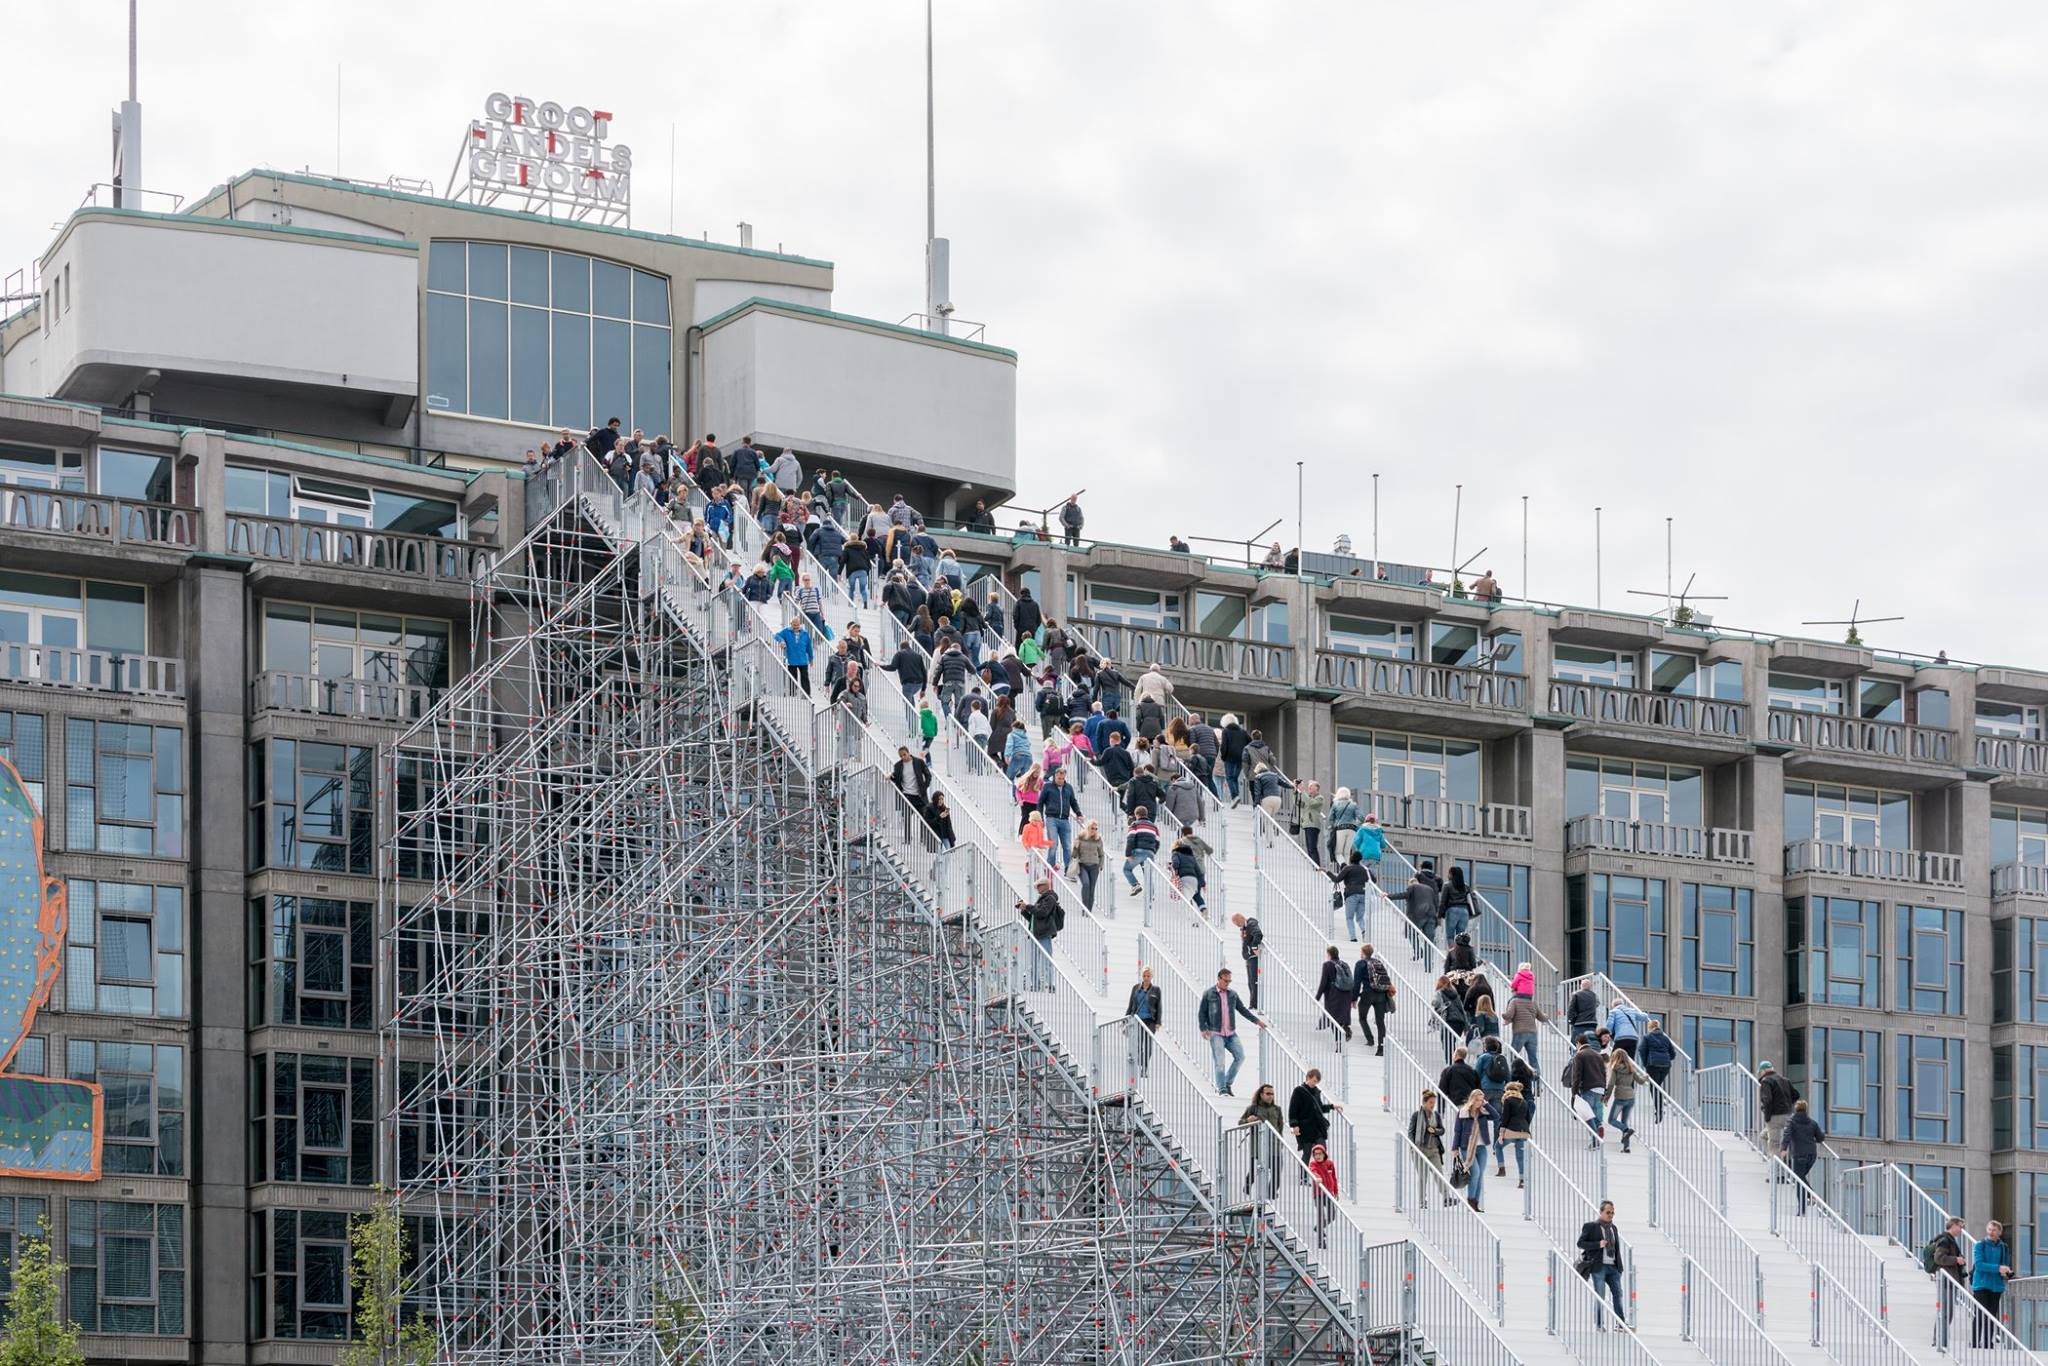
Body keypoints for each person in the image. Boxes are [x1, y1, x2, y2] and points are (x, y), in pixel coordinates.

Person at [1199, 968, 1262, 1096]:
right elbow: (1202, 1013)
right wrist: (1203, 1028)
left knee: (1240, 1057)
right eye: (1225, 980)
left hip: (1231, 1033)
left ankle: (1227, 1083)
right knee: (1220, 1062)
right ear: (1219, 978)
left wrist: (1256, 1021)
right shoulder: (1209, 993)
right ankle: (1222, 1089)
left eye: (1229, 981)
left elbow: (1242, 1009)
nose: (1228, 983)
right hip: (1216, 1033)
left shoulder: (1232, 994)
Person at [1577, 1201, 1628, 1330]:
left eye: (1612, 1213)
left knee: (1618, 1294)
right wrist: (1597, 1244)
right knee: (1600, 1296)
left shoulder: (1613, 1228)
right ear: (1601, 1212)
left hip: (1613, 1267)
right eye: (1608, 1212)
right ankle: (1599, 1324)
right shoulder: (1591, 1226)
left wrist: (1619, 1267)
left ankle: (1620, 1324)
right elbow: (1580, 1243)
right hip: (1599, 1266)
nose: (1610, 1215)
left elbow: (1616, 1249)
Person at [1288, 1067, 1342, 1173]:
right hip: (1305, 1127)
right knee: (1307, 1152)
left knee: (1322, 1149)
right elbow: (1293, 1109)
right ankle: (1303, 1176)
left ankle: (1322, 1173)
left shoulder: (1316, 1091)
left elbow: (1320, 1108)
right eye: (1313, 1081)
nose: (1315, 1083)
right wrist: (1294, 1125)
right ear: (1308, 1077)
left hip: (1317, 1127)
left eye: (1316, 1082)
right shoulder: (1299, 1090)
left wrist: (1332, 1106)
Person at [1238, 1083, 1285, 1198]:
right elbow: (1240, 1123)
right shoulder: (1253, 1108)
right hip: (1258, 1146)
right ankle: (1247, 1188)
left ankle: (1271, 1192)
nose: (1271, 1096)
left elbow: (1280, 1127)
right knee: (1255, 1170)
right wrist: (1248, 1120)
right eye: (1268, 1094)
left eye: (1272, 1094)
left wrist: (1280, 1142)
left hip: (1275, 1146)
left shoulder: (1277, 1109)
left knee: (1277, 1171)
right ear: (1261, 1094)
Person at [1016, 875, 1063, 990]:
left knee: (1046, 960)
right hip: (1035, 933)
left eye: (1039, 886)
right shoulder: (1042, 898)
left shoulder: (1050, 898)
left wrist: (1027, 906)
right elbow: (1035, 918)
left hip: (1043, 933)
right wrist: (1024, 911)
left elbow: (1043, 913)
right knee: (1033, 962)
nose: (1037, 888)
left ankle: (1050, 984)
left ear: (1046, 886)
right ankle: (1035, 985)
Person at [1973, 1220, 2014, 1348]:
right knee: (1980, 1314)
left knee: (1992, 1316)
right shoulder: (1980, 1245)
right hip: (1981, 1284)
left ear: (1999, 1232)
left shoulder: (2004, 1247)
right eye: (1989, 1229)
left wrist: (2007, 1271)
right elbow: (1979, 1265)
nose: (1991, 1232)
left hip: (1996, 1286)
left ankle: (1987, 1343)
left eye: (1994, 1230)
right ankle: (1975, 1342)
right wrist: (1998, 1268)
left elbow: (2005, 1264)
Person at [1452, 1091, 1495, 1212]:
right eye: (1477, 1100)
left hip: (1481, 1147)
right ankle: (1470, 1201)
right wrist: (1455, 1148)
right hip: (1467, 1147)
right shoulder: (1463, 1112)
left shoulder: (1483, 1111)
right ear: (1472, 1099)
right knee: (1475, 1173)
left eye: (1481, 1100)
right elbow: (1458, 1131)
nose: (1479, 1103)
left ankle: (1475, 1203)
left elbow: (1496, 1116)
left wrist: (1486, 1104)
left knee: (1480, 1175)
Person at [1780, 1098, 1823, 1213]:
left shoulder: (1791, 1121)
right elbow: (1821, 1137)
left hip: (1799, 1155)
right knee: (1801, 1178)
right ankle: (1805, 1204)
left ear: (1796, 1109)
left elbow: (1787, 1135)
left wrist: (1784, 1149)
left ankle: (1808, 1200)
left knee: (1799, 1180)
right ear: (1806, 1110)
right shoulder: (1812, 1122)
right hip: (1812, 1155)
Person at [1565, 1036, 1609, 1147]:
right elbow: (1604, 1073)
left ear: (1579, 1043)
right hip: (1599, 1088)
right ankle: (1598, 1126)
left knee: (1587, 1116)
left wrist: (1574, 1092)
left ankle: (1595, 1141)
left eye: (1576, 1045)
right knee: (1593, 1114)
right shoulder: (1598, 1055)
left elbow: (1577, 1075)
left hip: (1588, 1088)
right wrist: (1604, 1090)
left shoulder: (1579, 1055)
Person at [1353, 943, 1393, 1054]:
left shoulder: (1360, 964)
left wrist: (1354, 998)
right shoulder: (1378, 962)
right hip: (1381, 994)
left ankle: (1370, 1039)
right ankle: (1381, 1048)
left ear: (1363, 953)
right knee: (1380, 1022)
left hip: (1367, 994)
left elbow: (1357, 982)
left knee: (1362, 1017)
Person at [1502, 990, 1543, 1096]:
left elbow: (1508, 1015)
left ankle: (1510, 1081)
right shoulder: (1533, 1002)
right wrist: (1547, 1016)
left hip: (1520, 1032)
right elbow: (1541, 1017)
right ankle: (1537, 1086)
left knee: (1512, 1056)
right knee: (1533, 1059)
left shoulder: (1514, 1001)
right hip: (1533, 1033)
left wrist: (1503, 1015)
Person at [1315, 945, 1356, 1045]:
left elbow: (1323, 983)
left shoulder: (1327, 965)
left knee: (1333, 1018)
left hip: (1334, 995)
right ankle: (1345, 1030)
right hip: (1346, 994)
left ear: (1329, 954)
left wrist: (1317, 997)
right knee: (1340, 1018)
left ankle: (1339, 1041)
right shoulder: (1344, 964)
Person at [1124, 966, 1161, 1077]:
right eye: (1144, 976)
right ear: (1142, 976)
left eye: (1148, 976)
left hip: (1150, 1021)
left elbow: (1159, 1007)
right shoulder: (1136, 988)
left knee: (1148, 1046)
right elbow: (1131, 1004)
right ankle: (1140, 1062)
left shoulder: (1156, 990)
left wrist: (1158, 1022)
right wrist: (1125, 1019)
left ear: (1151, 977)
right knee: (1138, 1045)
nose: (1146, 978)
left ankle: (1144, 1068)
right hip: (1137, 1019)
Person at [1039, 768, 1078, 871]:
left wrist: (1079, 813)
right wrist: (1040, 817)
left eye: (1062, 778)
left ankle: (1068, 870)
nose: (1060, 780)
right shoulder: (1048, 786)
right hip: (1052, 819)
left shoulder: (1068, 787)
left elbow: (1073, 802)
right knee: (1053, 844)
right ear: (1055, 776)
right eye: (1058, 778)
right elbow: (1040, 802)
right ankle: (1050, 866)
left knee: (1068, 847)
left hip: (1065, 820)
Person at [1758, 1061, 1799, 1154]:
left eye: (1760, 1071)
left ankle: (1774, 1167)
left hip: (1775, 1117)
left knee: (1774, 1144)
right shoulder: (1785, 1080)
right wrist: (1787, 1104)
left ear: (1763, 1070)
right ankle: (1777, 1161)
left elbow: (1767, 1100)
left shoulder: (1766, 1081)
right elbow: (1796, 1095)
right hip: (1788, 1116)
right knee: (1763, 1135)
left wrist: (1767, 1117)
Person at [1639, 1021, 1676, 1122]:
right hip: (1665, 1065)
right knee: (1658, 1086)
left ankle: (1659, 1111)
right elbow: (1673, 1054)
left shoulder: (1647, 1037)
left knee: (1654, 1088)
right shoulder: (1665, 1038)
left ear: (1650, 1027)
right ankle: (1659, 1109)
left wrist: (1645, 1063)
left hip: (1653, 1064)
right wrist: (1667, 1058)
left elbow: (1641, 1050)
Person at [1334, 851, 1375, 942]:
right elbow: (1374, 880)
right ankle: (1364, 930)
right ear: (1360, 859)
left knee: (1349, 918)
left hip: (1351, 895)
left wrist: (1327, 872)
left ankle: (1353, 938)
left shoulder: (1348, 868)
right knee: (1360, 917)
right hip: (1364, 894)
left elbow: (1337, 879)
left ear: (1351, 858)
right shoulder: (1365, 869)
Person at [1498, 1081, 1532, 1187]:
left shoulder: (1508, 1100)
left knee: (1498, 1147)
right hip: (1524, 1132)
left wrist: (1501, 1133)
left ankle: (1502, 1169)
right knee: (1520, 1157)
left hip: (1511, 1131)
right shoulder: (1524, 1102)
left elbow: (1505, 1118)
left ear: (1507, 1090)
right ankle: (1522, 1180)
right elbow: (1528, 1118)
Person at [1402, 869, 1441, 956]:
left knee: (1411, 933)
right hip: (1431, 916)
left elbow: (1403, 895)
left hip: (1418, 916)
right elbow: (1435, 903)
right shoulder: (1428, 889)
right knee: (1429, 940)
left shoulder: (1413, 887)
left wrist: (1388, 896)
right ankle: (1429, 964)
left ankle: (1418, 951)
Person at [1307, 1141, 1339, 1247]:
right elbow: (1313, 1171)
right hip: (1319, 1194)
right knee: (1321, 1216)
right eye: (1315, 1154)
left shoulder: (1329, 1163)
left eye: (1320, 1153)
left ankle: (1318, 1227)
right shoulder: (1313, 1164)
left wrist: (1336, 1191)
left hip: (1329, 1193)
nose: (1318, 1156)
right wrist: (1317, 1177)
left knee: (1332, 1216)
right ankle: (1321, 1241)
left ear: (1324, 1154)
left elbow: (1333, 1178)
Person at [1607, 1048, 1638, 1153]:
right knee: (1624, 1122)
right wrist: (1646, 1077)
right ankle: (1626, 1147)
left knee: (1611, 1120)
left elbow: (1611, 1084)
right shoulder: (1631, 1068)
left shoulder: (1615, 1068)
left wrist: (1606, 1098)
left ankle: (1626, 1130)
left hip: (1620, 1097)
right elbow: (1641, 1081)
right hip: (1631, 1098)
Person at [1122, 808, 1161, 893]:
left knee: (1126, 869)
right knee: (1147, 875)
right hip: (1150, 853)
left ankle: (1135, 885)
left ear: (1137, 815)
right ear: (1146, 814)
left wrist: (1128, 854)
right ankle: (1150, 897)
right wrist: (1153, 852)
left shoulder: (1135, 824)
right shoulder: (1154, 826)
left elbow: (1130, 839)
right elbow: (1157, 841)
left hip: (1138, 851)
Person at [1168, 834, 1208, 912]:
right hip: (1194, 879)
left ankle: (1192, 915)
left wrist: (1174, 869)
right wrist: (1203, 884)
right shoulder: (1191, 856)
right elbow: (1198, 871)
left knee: (1186, 897)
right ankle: (1203, 909)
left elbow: (1176, 863)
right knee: (1196, 895)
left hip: (1185, 877)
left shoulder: (1176, 853)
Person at [775, 619, 816, 693]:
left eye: (797, 625)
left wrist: (811, 658)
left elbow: (809, 647)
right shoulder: (786, 631)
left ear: (800, 624)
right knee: (793, 678)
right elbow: (776, 635)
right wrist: (781, 641)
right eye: (794, 625)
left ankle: (807, 694)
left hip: (803, 660)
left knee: (805, 678)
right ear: (791, 624)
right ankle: (792, 694)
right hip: (791, 660)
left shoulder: (805, 633)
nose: (796, 627)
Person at [1433, 978, 1469, 1062]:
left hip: (1449, 1020)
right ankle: (1452, 1061)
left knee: (1446, 1042)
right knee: (1451, 1042)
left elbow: (1435, 1003)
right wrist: (1466, 1026)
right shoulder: (1455, 994)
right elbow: (1462, 1010)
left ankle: (1449, 1062)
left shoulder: (1440, 993)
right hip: (1460, 1022)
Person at [890, 745, 932, 817]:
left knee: (925, 819)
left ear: (908, 753)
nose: (903, 757)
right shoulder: (898, 765)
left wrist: (924, 787)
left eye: (904, 755)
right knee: (906, 820)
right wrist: (891, 776)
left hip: (919, 796)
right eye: (901, 756)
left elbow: (928, 775)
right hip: (907, 796)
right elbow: (897, 779)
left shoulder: (919, 762)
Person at [1234, 912, 1265, 1008]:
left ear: (1241, 918)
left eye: (1238, 923)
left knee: (1254, 981)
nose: (1238, 926)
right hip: (1249, 958)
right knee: (1250, 982)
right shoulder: (1244, 928)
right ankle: (1253, 1003)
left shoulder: (1251, 923)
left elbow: (1258, 934)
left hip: (1253, 958)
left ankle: (1254, 1004)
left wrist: (1254, 947)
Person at [1073, 819, 1105, 910]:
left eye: (1096, 829)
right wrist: (1075, 847)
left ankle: (1088, 910)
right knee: (1086, 884)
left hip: (1094, 866)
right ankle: (1084, 907)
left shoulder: (1098, 839)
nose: (1094, 830)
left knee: (1092, 888)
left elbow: (1101, 855)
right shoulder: (1080, 837)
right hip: (1083, 865)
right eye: (1092, 828)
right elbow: (1074, 855)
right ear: (1088, 828)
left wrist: (1101, 865)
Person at [1606, 997, 1648, 1061]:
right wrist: (1644, 1013)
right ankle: (1630, 1070)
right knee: (1630, 1060)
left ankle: (1612, 1069)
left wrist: (1608, 1034)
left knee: (1614, 1057)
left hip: (1621, 1038)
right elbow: (1644, 1017)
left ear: (1614, 1006)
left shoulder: (1613, 1012)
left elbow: (1609, 1025)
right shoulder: (1632, 1010)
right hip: (1633, 1038)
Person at [1297, 780, 1327, 865]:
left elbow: (1311, 803)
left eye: (1311, 786)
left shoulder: (1320, 798)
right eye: (1309, 785)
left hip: (1313, 824)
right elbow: (1298, 803)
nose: (1309, 787)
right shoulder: (1307, 797)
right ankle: (1312, 866)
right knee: (1309, 848)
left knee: (1312, 847)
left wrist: (1303, 791)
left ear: (1317, 788)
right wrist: (1296, 791)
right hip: (1307, 824)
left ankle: (1317, 866)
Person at [1440, 866, 1474, 943]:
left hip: (1452, 910)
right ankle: (1460, 954)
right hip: (1464, 912)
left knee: (1450, 936)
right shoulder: (1466, 886)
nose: (1447, 875)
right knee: (1461, 936)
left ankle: (1452, 954)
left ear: (1452, 874)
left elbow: (1443, 901)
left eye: (1449, 873)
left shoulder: (1447, 885)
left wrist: (1440, 915)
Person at [917, 692, 940, 760]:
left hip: (923, 733)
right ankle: (928, 761)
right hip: (931, 734)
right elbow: (936, 726)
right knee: (926, 748)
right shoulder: (933, 716)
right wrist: (935, 733)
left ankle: (922, 756)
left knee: (919, 745)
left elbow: (919, 725)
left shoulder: (920, 715)